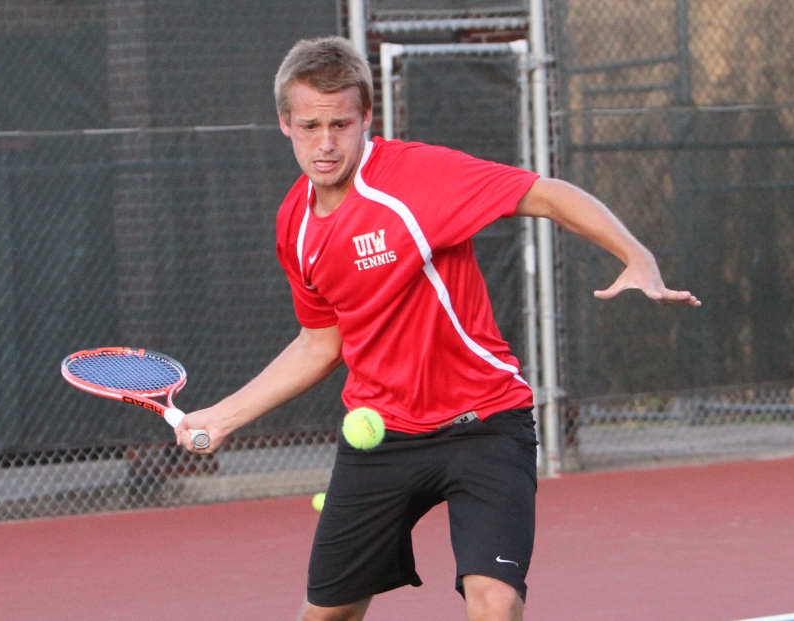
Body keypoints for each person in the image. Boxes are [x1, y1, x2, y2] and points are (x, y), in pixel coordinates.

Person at [175, 36, 700, 621]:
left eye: (341, 124)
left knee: (494, 601)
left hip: (485, 424)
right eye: (309, 126)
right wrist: (220, 417)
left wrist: (636, 255)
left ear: (367, 117)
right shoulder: (294, 226)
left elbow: (545, 195)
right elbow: (320, 344)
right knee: (326, 615)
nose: (325, 143)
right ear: (284, 124)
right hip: (381, 436)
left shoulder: (419, 178)